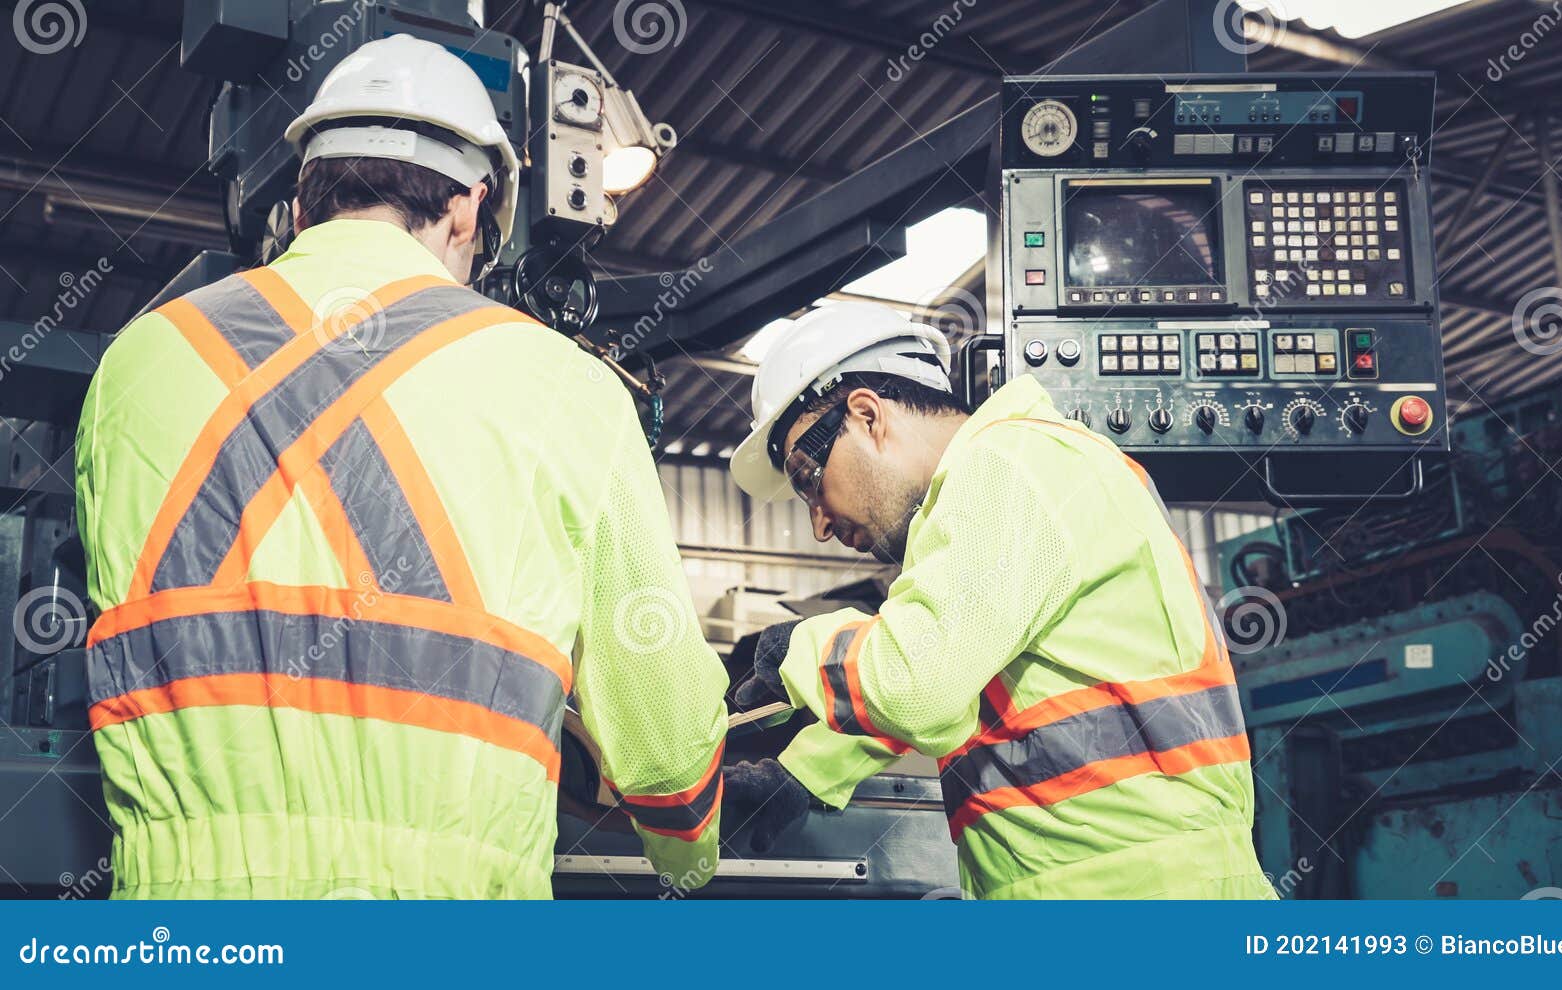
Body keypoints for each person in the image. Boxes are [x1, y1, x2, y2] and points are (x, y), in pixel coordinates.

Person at [74, 35, 727, 898]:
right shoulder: (570, 388)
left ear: (303, 208)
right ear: (468, 212)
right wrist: (690, 848)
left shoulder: (138, 361)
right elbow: (668, 747)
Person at [722, 302, 1270, 899]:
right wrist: (805, 773)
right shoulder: (996, 486)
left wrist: (797, 649)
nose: (820, 524)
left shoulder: (1012, 465)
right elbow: (957, 684)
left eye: (807, 479)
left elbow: (919, 683)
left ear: (866, 415)